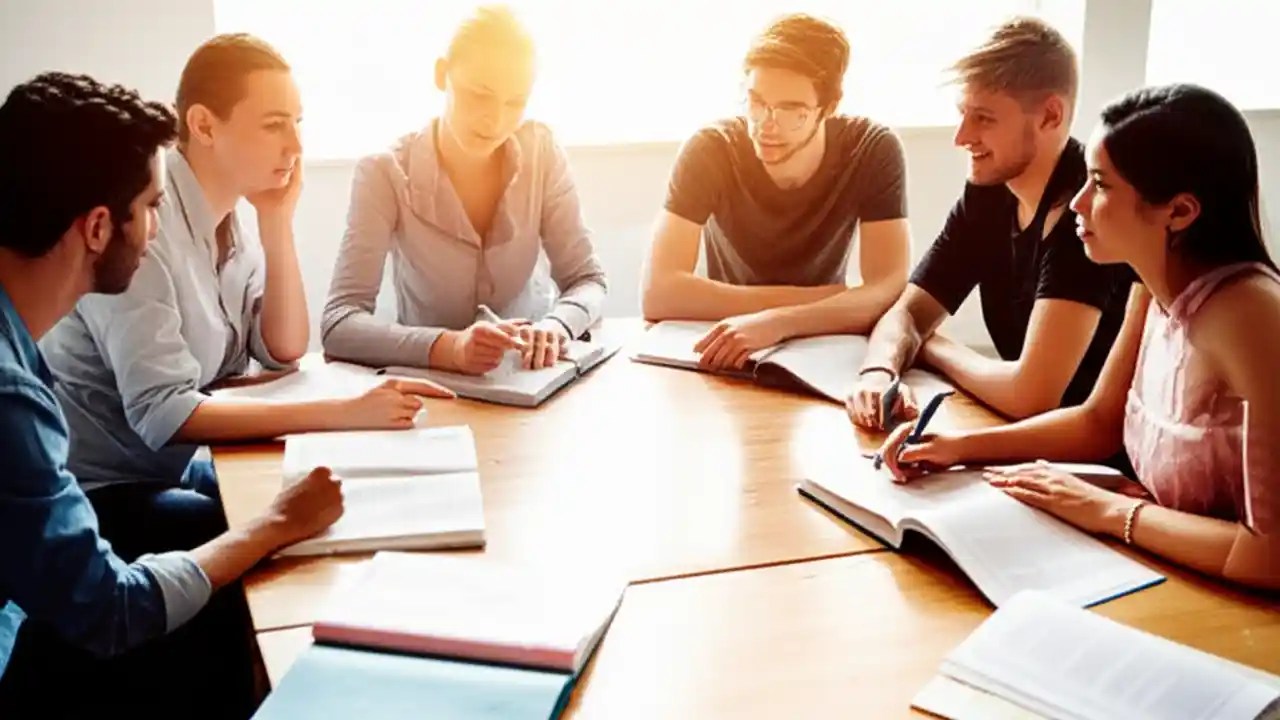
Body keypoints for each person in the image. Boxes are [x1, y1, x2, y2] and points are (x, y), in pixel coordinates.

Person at [0, 71, 343, 718]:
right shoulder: (10, 394)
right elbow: (111, 607)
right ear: (98, 227)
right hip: (33, 649)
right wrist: (274, 524)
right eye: (153, 206)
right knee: (230, 581)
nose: (160, 228)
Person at [40, 34, 449, 556]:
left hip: (171, 468)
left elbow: (281, 347)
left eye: (297, 124)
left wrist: (276, 221)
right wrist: (344, 409)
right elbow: (166, 414)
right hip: (96, 496)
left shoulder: (229, 214)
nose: (296, 147)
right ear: (205, 125)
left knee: (340, 494)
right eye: (274, 125)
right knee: (290, 531)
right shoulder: (141, 227)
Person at [877, 84, 1280, 592]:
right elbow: (1099, 423)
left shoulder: (1252, 316)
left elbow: (1269, 555)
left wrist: (1109, 510)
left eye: (1100, 185)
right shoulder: (1152, 284)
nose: (1078, 204)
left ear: (1179, 212)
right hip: (1180, 577)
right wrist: (959, 447)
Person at [847, 17, 1132, 428]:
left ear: (1051, 115)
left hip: (1108, 464)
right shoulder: (989, 195)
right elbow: (907, 313)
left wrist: (933, 345)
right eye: (963, 114)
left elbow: (1031, 396)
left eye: (983, 118)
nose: (961, 137)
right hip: (1031, 445)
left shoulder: (1087, 214)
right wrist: (878, 375)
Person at [321, 4, 609, 375]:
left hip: (532, 376)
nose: (496, 119)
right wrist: (449, 347)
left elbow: (587, 280)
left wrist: (556, 326)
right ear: (442, 74)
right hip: (435, 383)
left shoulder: (543, 152)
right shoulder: (383, 172)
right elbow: (339, 321)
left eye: (515, 102)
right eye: (479, 95)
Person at [640, 13, 911, 371]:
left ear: (828, 108)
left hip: (822, 340)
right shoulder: (711, 148)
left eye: (791, 111)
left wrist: (780, 321)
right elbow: (659, 293)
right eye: (756, 103)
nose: (766, 125)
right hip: (729, 339)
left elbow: (889, 290)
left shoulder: (872, 148)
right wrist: (835, 299)